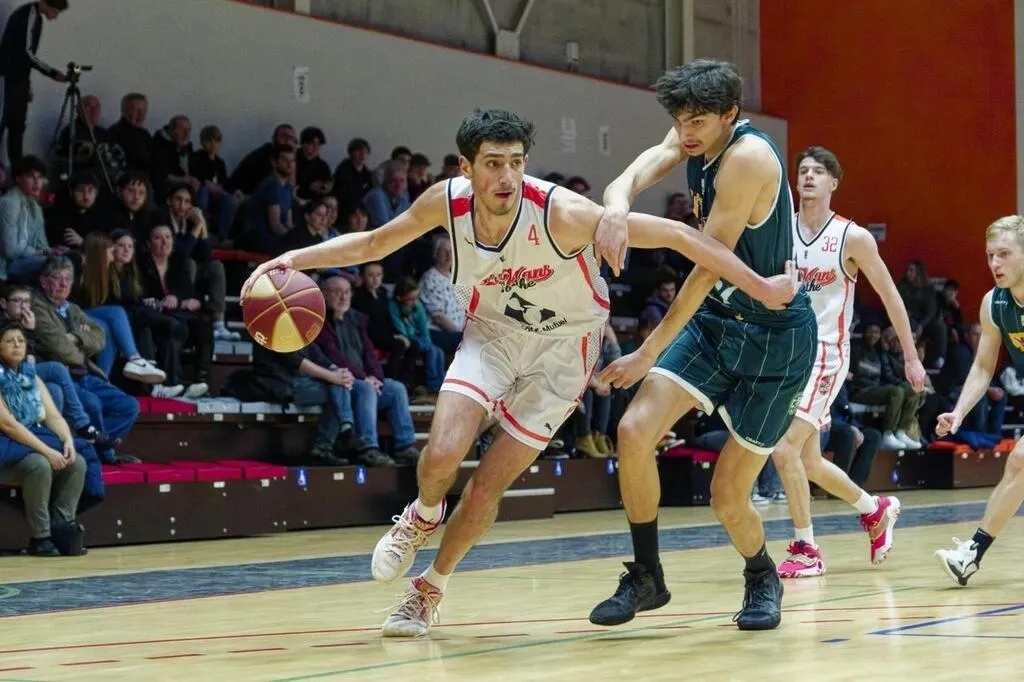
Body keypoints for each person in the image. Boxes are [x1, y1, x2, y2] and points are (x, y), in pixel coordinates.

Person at [243, 108, 798, 637]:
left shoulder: (561, 213)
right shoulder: (447, 203)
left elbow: (682, 237)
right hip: (492, 338)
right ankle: (422, 514)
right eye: (492, 163)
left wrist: (762, 285)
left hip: (562, 354)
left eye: (516, 161)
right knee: (439, 456)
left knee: (487, 485)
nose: (507, 175)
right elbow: (373, 242)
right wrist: (291, 261)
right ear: (465, 167)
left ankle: (428, 590)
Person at [588, 59, 815, 631]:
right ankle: (646, 576)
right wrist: (615, 208)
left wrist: (646, 352)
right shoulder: (695, 135)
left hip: (776, 337)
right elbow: (636, 171)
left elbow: (706, 267)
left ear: (730, 116)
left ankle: (762, 575)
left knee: (727, 497)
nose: (686, 133)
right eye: (680, 120)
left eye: (699, 122)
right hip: (718, 323)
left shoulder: (746, 158)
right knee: (634, 430)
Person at [768, 147, 925, 579]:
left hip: (826, 356)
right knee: (810, 462)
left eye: (819, 172)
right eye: (802, 171)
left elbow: (891, 296)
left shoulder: (852, 237)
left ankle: (807, 548)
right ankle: (875, 509)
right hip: (788, 355)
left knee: (784, 452)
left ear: (834, 183)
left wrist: (910, 356)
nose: (809, 177)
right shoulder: (782, 229)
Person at [934, 215, 1024, 585]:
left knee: (1020, 460)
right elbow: (984, 366)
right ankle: (971, 554)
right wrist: (958, 411)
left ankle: (972, 551)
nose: (995, 264)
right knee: (1018, 466)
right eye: (990, 255)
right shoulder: (995, 304)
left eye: (1004, 254)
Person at [0, 322, 96, 556]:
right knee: (39, 466)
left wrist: (67, 441)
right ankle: (40, 537)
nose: (16, 345)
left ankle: (62, 528)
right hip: (5, 445)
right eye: (9, 340)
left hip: (30, 440)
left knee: (77, 462)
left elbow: (53, 416)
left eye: (21, 341)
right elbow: (8, 425)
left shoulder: (32, 376)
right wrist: (47, 450)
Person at [0, 0, 68, 163]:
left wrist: (27, 85)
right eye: (55, 12)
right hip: (12, 78)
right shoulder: (30, 15)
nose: (55, 16)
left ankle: (16, 167)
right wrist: (51, 72)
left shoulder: (32, 15)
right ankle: (16, 168)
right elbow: (27, 53)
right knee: (12, 124)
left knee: (14, 126)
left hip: (17, 79)